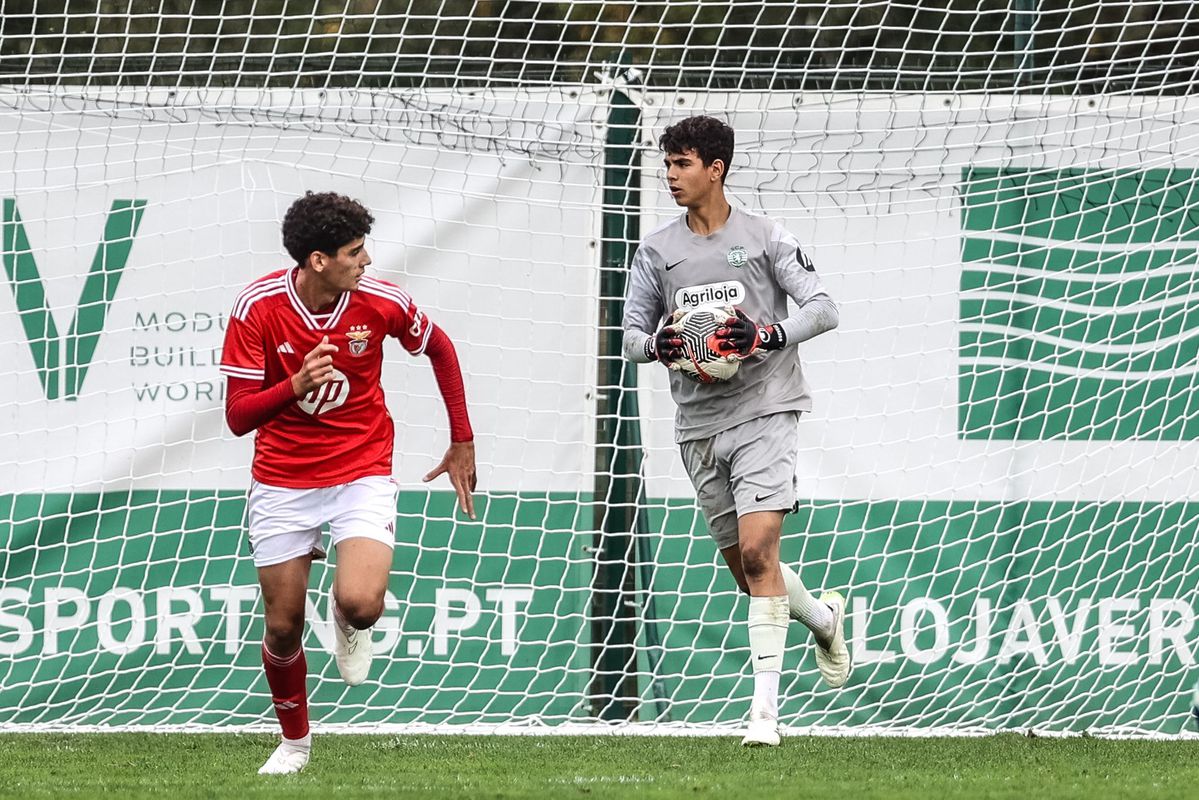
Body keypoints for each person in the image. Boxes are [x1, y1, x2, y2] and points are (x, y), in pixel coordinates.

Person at [219, 191, 477, 774]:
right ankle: (295, 743)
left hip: (361, 468)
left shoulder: (380, 301)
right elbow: (238, 417)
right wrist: (296, 384)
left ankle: (346, 620)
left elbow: (440, 347)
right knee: (283, 627)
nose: (366, 261)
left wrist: (462, 438)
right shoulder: (256, 308)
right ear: (317, 260)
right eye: (355, 252)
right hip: (283, 479)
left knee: (361, 605)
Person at [621, 116, 849, 747]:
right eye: (667, 164)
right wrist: (665, 344)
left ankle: (765, 718)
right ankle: (823, 619)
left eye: (683, 164)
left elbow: (824, 307)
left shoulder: (766, 237)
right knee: (748, 571)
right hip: (698, 422)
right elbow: (632, 337)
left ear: (716, 168)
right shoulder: (656, 251)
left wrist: (765, 334)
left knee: (758, 553)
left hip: (768, 407)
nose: (671, 175)